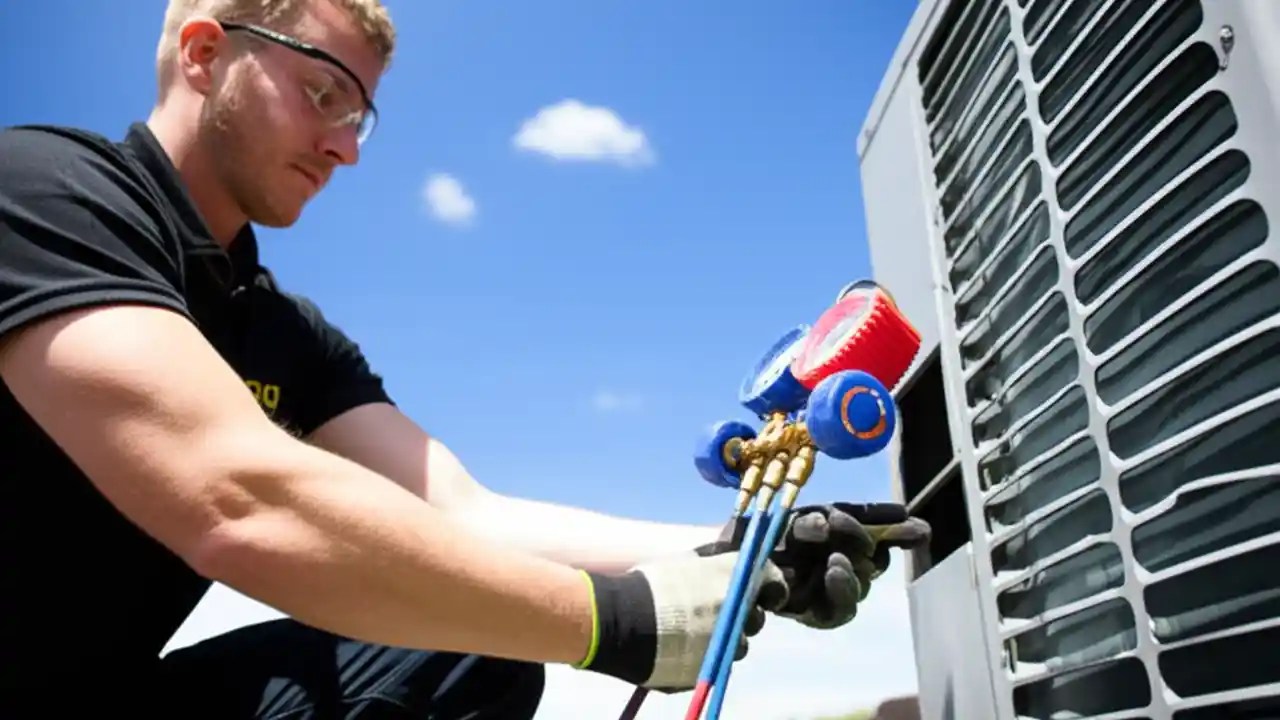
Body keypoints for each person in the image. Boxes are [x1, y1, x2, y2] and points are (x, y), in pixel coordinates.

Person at [0, 0, 930, 717]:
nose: (344, 147)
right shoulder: (45, 194)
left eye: (361, 116)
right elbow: (237, 499)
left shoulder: (281, 328)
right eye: (324, 92)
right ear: (204, 53)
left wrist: (751, 551)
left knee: (467, 645)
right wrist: (614, 622)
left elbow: (460, 511)